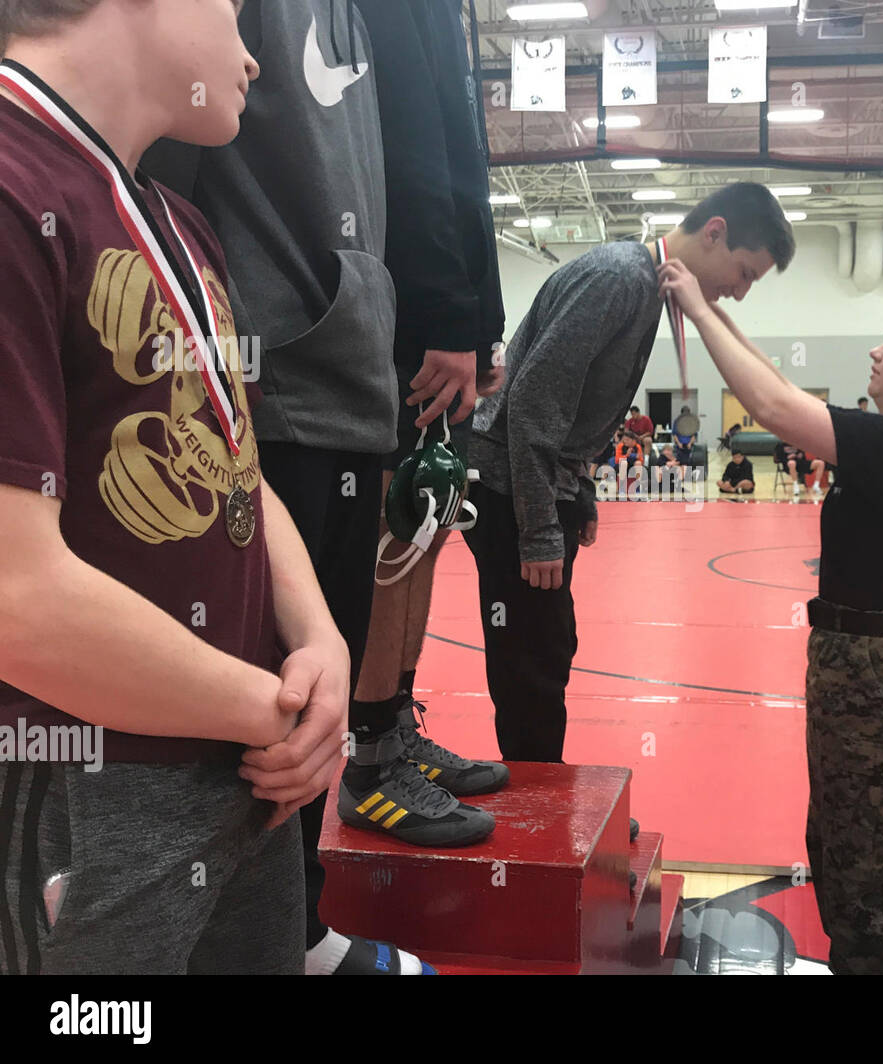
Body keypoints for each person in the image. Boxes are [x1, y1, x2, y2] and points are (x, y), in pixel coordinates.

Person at [0, 0, 344, 974]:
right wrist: (275, 707)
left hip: (241, 759)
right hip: (89, 782)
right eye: (235, 9)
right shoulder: (13, 189)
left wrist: (318, 639)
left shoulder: (180, 221)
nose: (253, 57)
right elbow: (13, 597)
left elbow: (237, 463)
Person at [141, 0, 439, 977]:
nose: (239, 51)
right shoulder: (60, 196)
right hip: (267, 376)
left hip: (332, 376)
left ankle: (295, 926)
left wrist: (318, 647)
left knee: (308, 687)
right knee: (229, 753)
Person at [661, 264, 883, 974]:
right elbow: (775, 381)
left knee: (872, 867)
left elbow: (776, 408)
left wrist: (693, 307)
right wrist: (712, 313)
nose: (878, 351)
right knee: (848, 847)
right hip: (875, 670)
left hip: (882, 679)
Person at [465, 182, 794, 764]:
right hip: (508, 486)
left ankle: (542, 785)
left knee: (551, 644)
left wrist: (582, 490)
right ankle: (535, 805)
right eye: (744, 273)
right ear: (714, 232)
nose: (739, 293)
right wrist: (540, 527)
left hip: (543, 482)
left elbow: (583, 405)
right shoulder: (620, 277)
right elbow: (535, 401)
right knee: (531, 655)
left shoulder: (647, 289)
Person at [345, 0, 510, 865]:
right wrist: (449, 316)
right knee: (395, 527)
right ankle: (369, 755)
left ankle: (395, 728)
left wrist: (483, 325)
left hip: (445, 315)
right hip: (408, 310)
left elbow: (465, 174)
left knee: (427, 523)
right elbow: (412, 151)